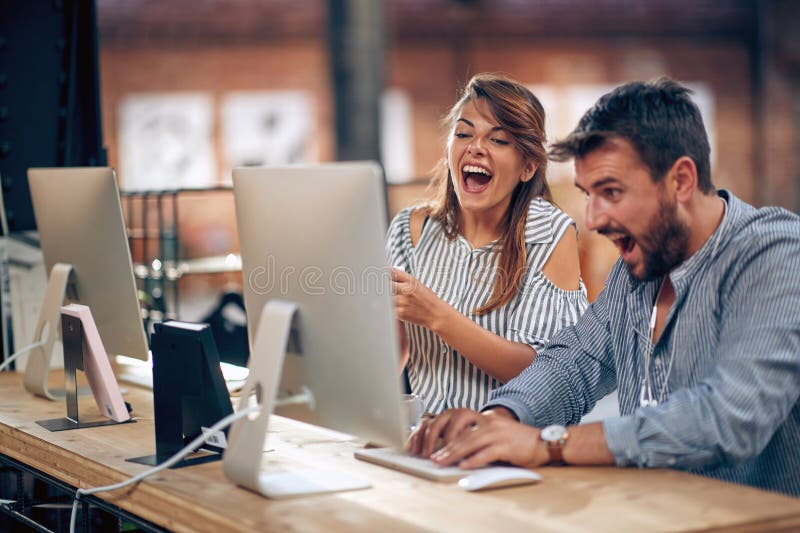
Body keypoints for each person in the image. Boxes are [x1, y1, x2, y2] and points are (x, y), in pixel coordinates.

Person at [408, 77, 800, 497]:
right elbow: (572, 363)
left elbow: (730, 417)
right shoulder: (639, 269)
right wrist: (493, 420)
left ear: (681, 181)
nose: (593, 219)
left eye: (611, 192)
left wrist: (548, 444)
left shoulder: (776, 253)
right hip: (653, 517)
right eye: (589, 194)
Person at [387, 73, 588, 414]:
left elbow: (545, 371)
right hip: (427, 436)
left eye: (498, 140)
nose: (475, 147)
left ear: (527, 167)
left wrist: (438, 317)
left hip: (509, 444)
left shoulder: (550, 232)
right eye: (463, 134)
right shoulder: (411, 229)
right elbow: (394, 354)